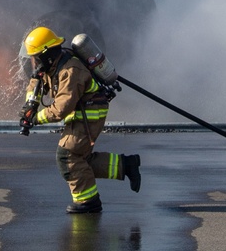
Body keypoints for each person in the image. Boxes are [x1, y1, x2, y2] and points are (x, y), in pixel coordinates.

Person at [18, 26, 141, 214]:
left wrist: (35, 118)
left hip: (90, 114)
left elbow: (61, 108)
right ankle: (126, 165)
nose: (34, 62)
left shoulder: (70, 70)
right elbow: (35, 83)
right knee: (80, 158)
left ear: (46, 54)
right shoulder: (51, 65)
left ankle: (88, 201)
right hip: (80, 112)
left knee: (67, 156)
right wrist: (29, 106)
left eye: (36, 57)